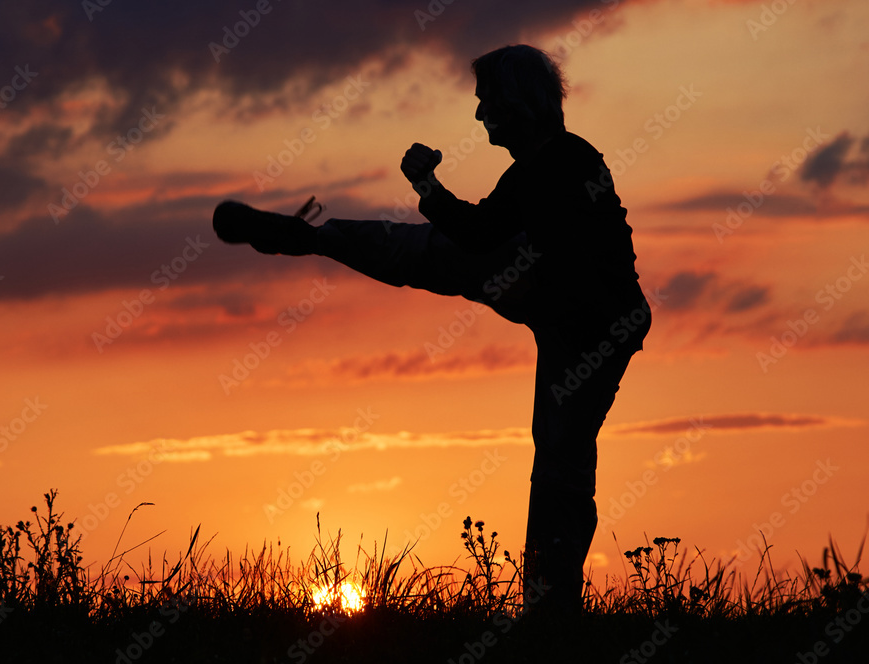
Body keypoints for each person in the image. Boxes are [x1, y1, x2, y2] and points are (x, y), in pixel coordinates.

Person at [212, 44, 650, 616]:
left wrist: (429, 188)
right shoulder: (539, 168)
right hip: (563, 306)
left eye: (485, 103)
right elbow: (484, 231)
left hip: (590, 324)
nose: (477, 116)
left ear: (515, 103)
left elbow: (482, 234)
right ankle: (320, 237)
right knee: (558, 456)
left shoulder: (561, 163)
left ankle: (552, 613)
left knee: (561, 461)